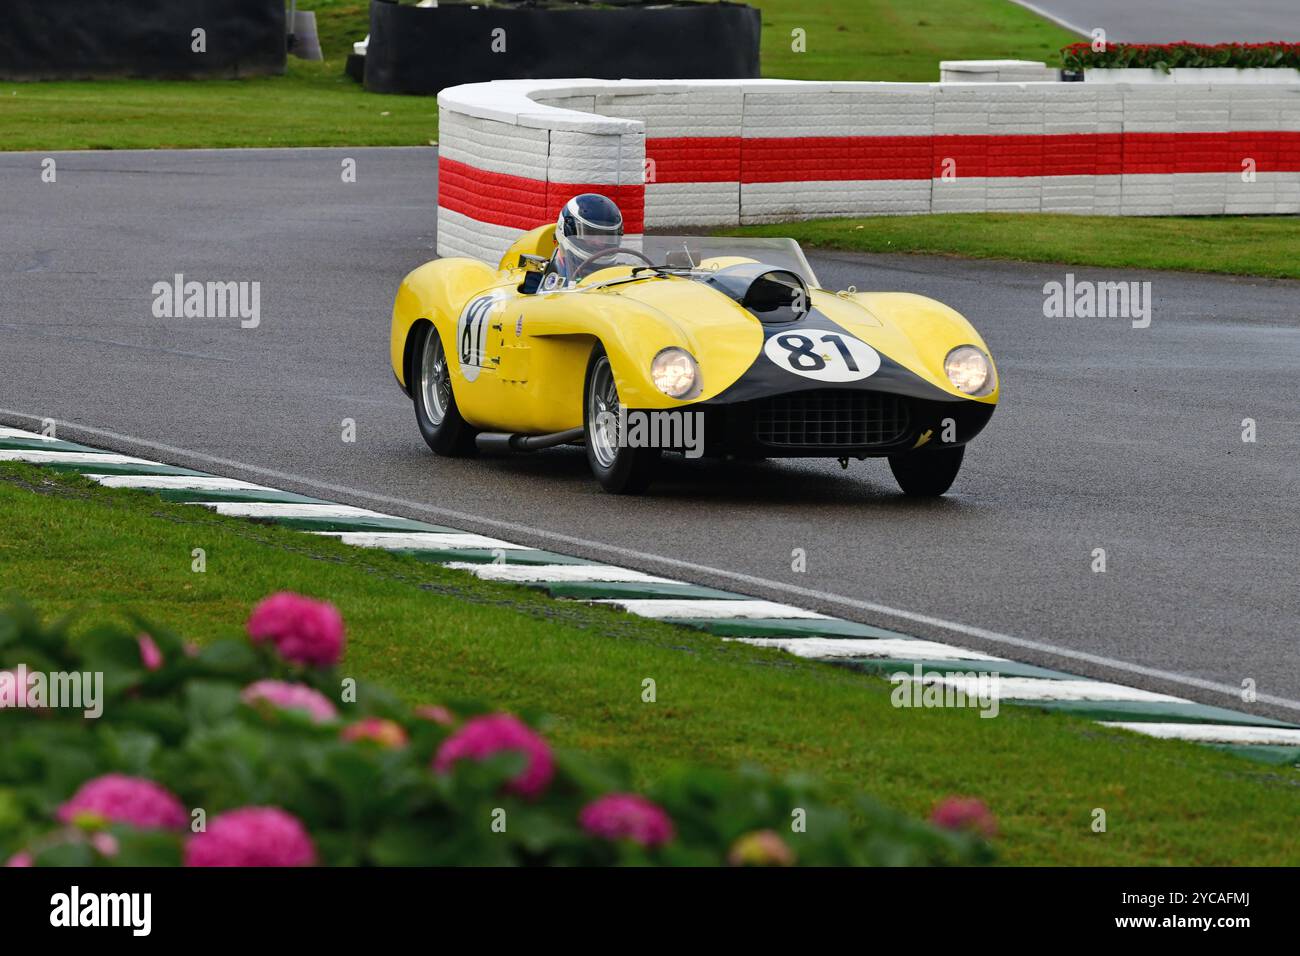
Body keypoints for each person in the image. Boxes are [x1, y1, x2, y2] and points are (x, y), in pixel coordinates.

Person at [540, 193, 624, 291]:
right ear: (566, 229)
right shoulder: (540, 278)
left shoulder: (623, 274)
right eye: (590, 234)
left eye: (607, 236)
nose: (599, 242)